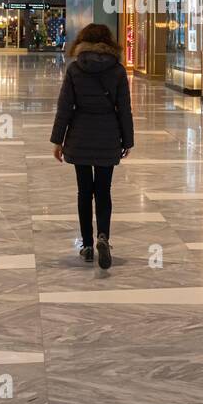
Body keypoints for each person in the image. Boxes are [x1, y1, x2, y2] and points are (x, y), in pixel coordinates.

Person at [50, 23, 134, 269]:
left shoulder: (75, 69)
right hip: (108, 135)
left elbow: (64, 107)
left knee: (84, 192)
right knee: (104, 191)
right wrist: (127, 140)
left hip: (80, 136)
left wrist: (58, 140)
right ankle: (103, 236)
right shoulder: (117, 71)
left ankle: (87, 246)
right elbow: (124, 110)